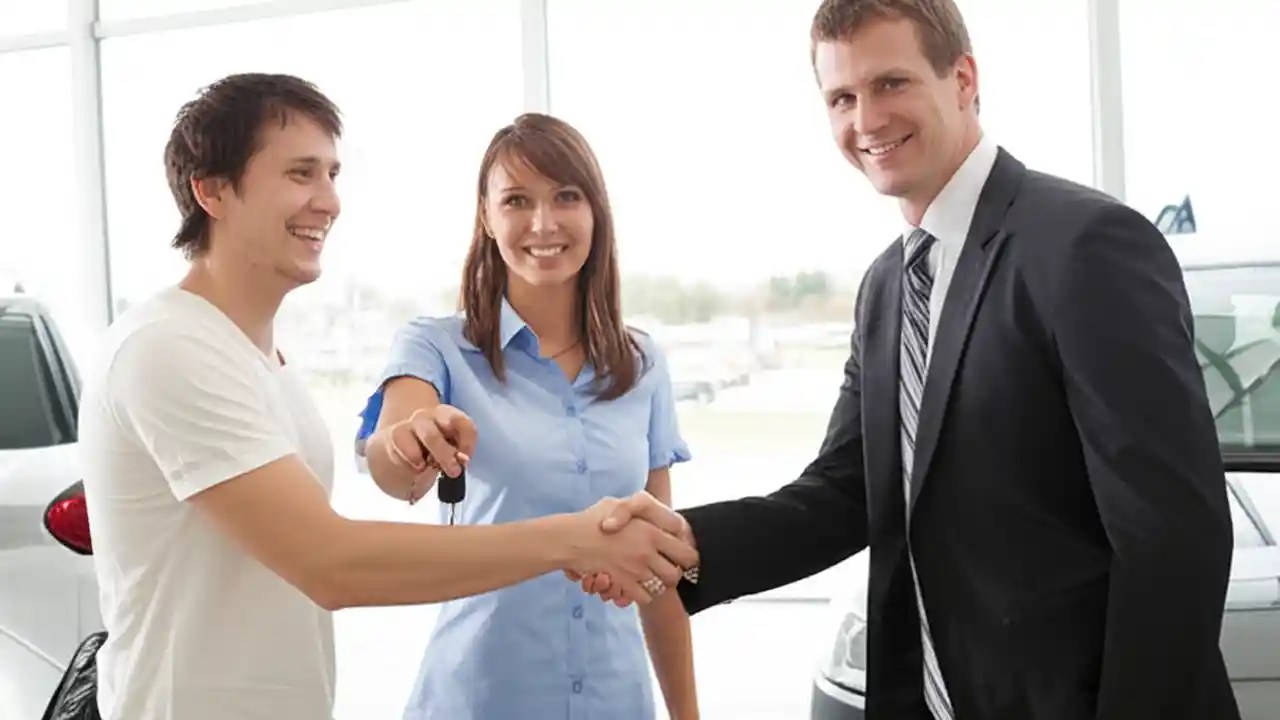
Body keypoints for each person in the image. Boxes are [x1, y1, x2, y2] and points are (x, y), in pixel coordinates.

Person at [584, 1, 1240, 718]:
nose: (865, 120)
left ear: (963, 78)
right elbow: (844, 493)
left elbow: (1173, 537)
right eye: (842, 97)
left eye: (890, 83)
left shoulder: (1085, 246)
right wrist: (683, 543)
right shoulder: (888, 285)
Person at [77, 74, 696, 720]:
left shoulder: (262, 359)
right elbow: (334, 560)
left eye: (332, 175)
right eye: (300, 174)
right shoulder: (169, 348)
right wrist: (574, 538)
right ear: (212, 190)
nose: (329, 201)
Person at [354, 112, 699, 720]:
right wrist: (409, 443)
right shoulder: (436, 347)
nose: (544, 223)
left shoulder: (643, 364)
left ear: (595, 212)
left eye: (566, 196)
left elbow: (660, 568)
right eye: (517, 200)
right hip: (478, 698)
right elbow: (392, 460)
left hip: (616, 702)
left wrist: (687, 714)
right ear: (486, 217)